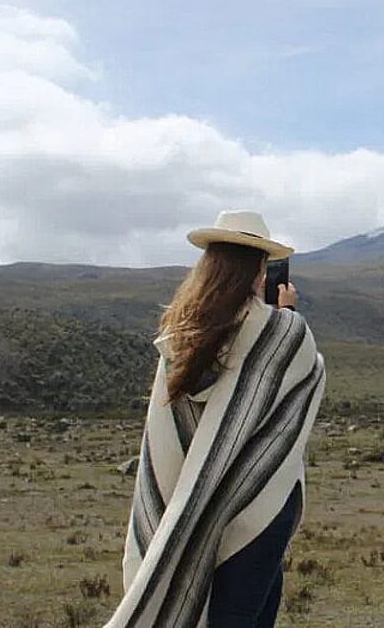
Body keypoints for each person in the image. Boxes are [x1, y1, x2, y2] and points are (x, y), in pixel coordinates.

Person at [105, 210, 326, 628]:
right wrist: (289, 314)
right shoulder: (282, 331)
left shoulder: (181, 335)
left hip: (192, 507)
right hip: (260, 505)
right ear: (260, 268)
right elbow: (306, 373)